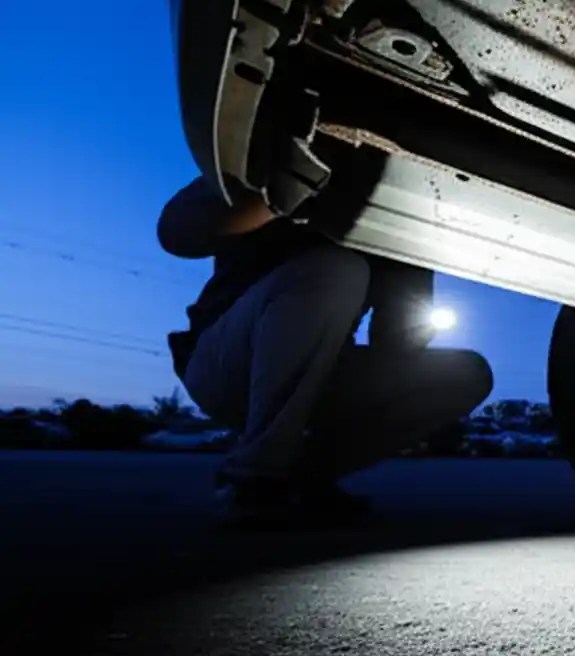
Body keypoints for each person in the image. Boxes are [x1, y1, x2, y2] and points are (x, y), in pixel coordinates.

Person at [158, 177, 493, 523]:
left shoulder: (396, 217)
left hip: (317, 377)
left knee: (467, 374)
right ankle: (252, 477)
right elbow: (175, 233)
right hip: (223, 363)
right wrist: (281, 193)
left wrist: (414, 266)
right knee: (334, 268)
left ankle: (303, 477)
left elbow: (394, 347)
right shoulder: (274, 166)